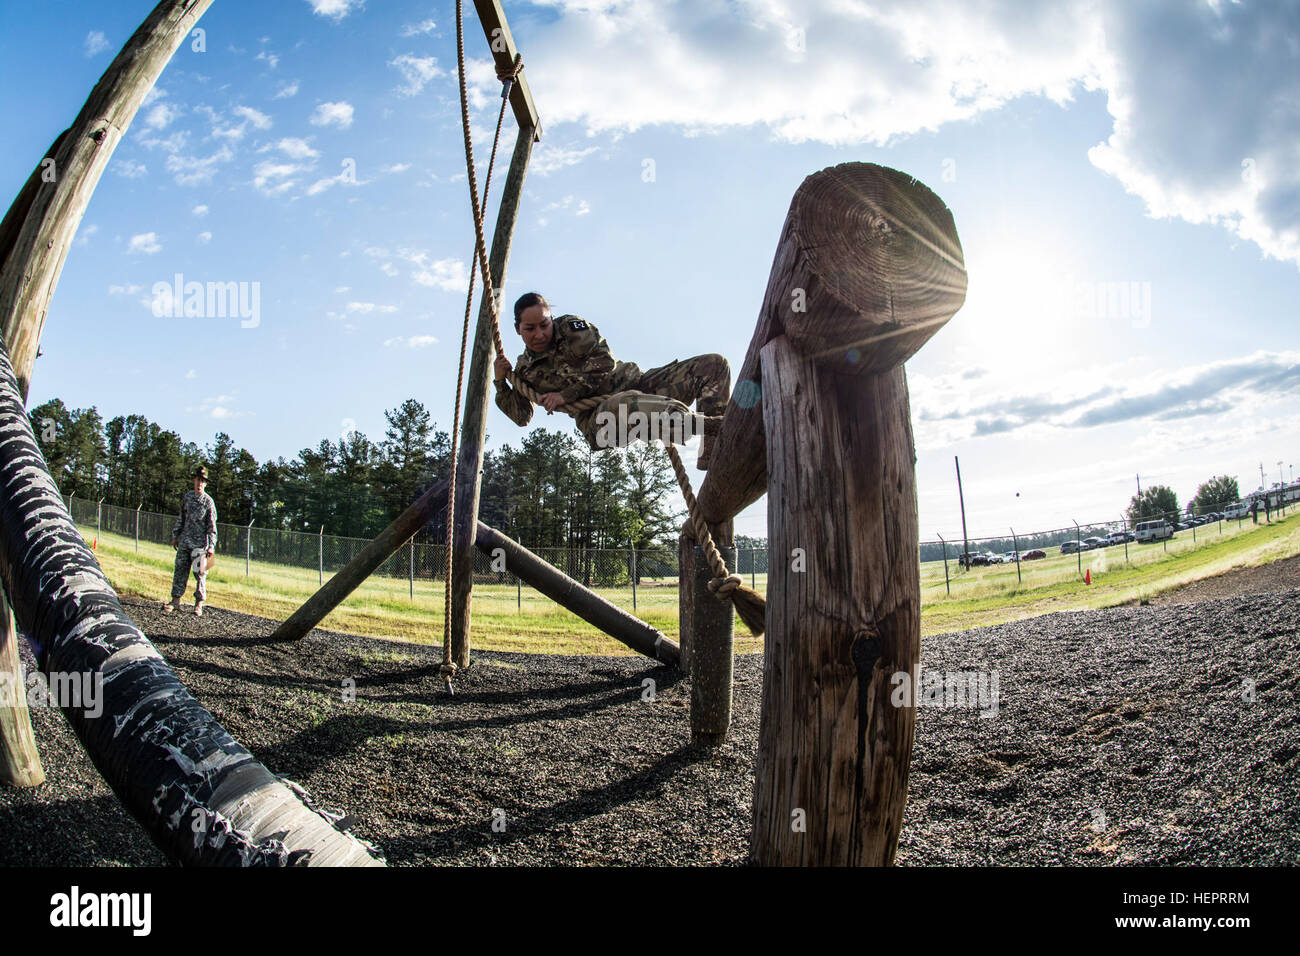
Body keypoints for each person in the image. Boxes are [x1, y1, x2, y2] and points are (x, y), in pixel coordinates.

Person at [493, 292, 730, 469]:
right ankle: (705, 424)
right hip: (601, 422)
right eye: (530, 329)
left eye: (544, 325)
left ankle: (713, 448)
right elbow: (522, 417)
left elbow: (605, 363)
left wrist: (565, 396)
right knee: (627, 403)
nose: (540, 334)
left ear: (551, 319)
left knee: (714, 365)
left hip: (638, 383)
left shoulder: (570, 329)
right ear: (518, 329)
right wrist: (501, 383)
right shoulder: (526, 371)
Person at [163, 465, 217, 616]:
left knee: (200, 574)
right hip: (185, 542)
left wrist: (211, 546)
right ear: (193, 480)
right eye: (197, 480)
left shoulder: (208, 502)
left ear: (205, 483)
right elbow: (182, 517)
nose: (199, 483)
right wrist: (176, 536)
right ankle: (175, 601)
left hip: (200, 545)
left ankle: (199, 604)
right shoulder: (187, 497)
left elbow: (212, 527)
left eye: (202, 481)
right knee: (179, 570)